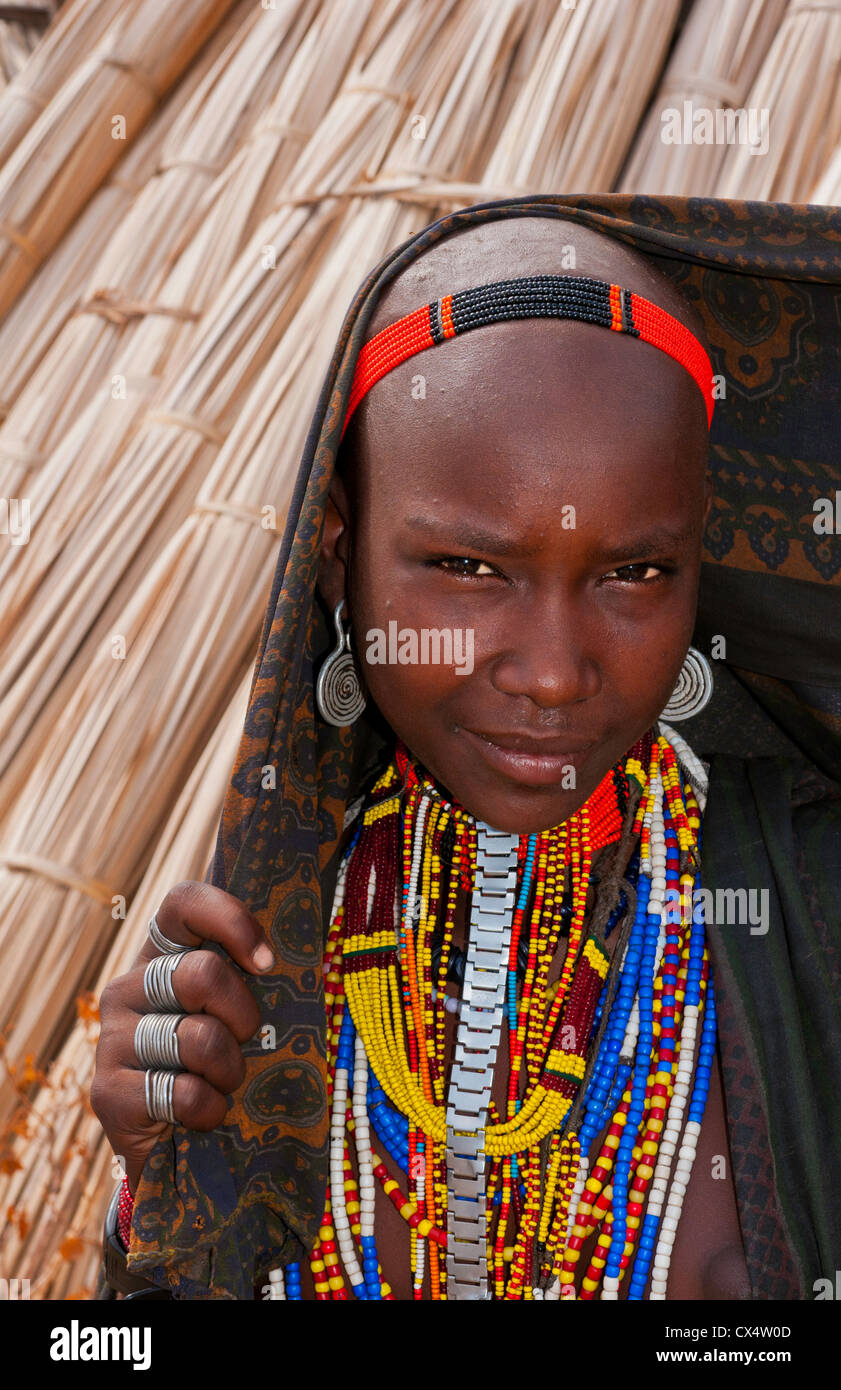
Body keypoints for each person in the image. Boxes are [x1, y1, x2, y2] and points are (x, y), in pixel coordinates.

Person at [92, 195, 841, 1302]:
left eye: (635, 573)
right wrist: (161, 1202)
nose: (551, 670)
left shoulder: (806, 911)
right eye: (470, 568)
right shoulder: (260, 966)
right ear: (340, 549)